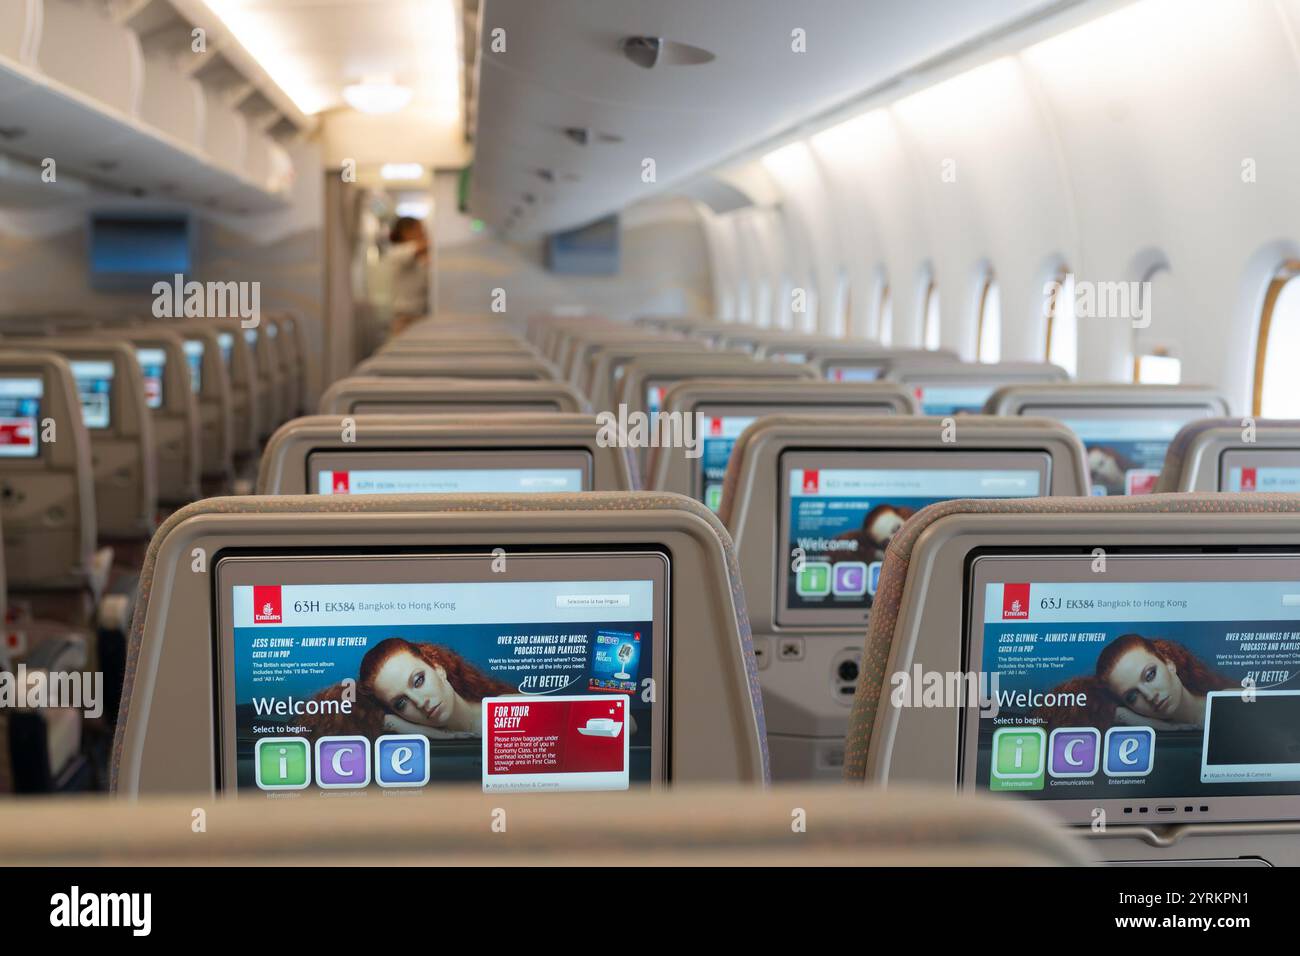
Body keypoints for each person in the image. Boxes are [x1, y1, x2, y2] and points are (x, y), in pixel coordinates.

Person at [300, 638, 515, 740]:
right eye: (401, 703)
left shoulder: (512, 708)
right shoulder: (423, 740)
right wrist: (447, 737)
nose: (420, 702)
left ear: (438, 668)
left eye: (419, 681)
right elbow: (387, 722)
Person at [1035, 633, 1235, 730]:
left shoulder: (1232, 703)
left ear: (1169, 663)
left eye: (1150, 675)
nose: (1149, 696)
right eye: (1132, 696)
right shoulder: (1155, 731)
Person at [387, 216, 429, 338]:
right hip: (405, 319)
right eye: (420, 230)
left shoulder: (416, 255)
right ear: (407, 232)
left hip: (419, 317)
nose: (424, 234)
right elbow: (422, 246)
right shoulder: (397, 251)